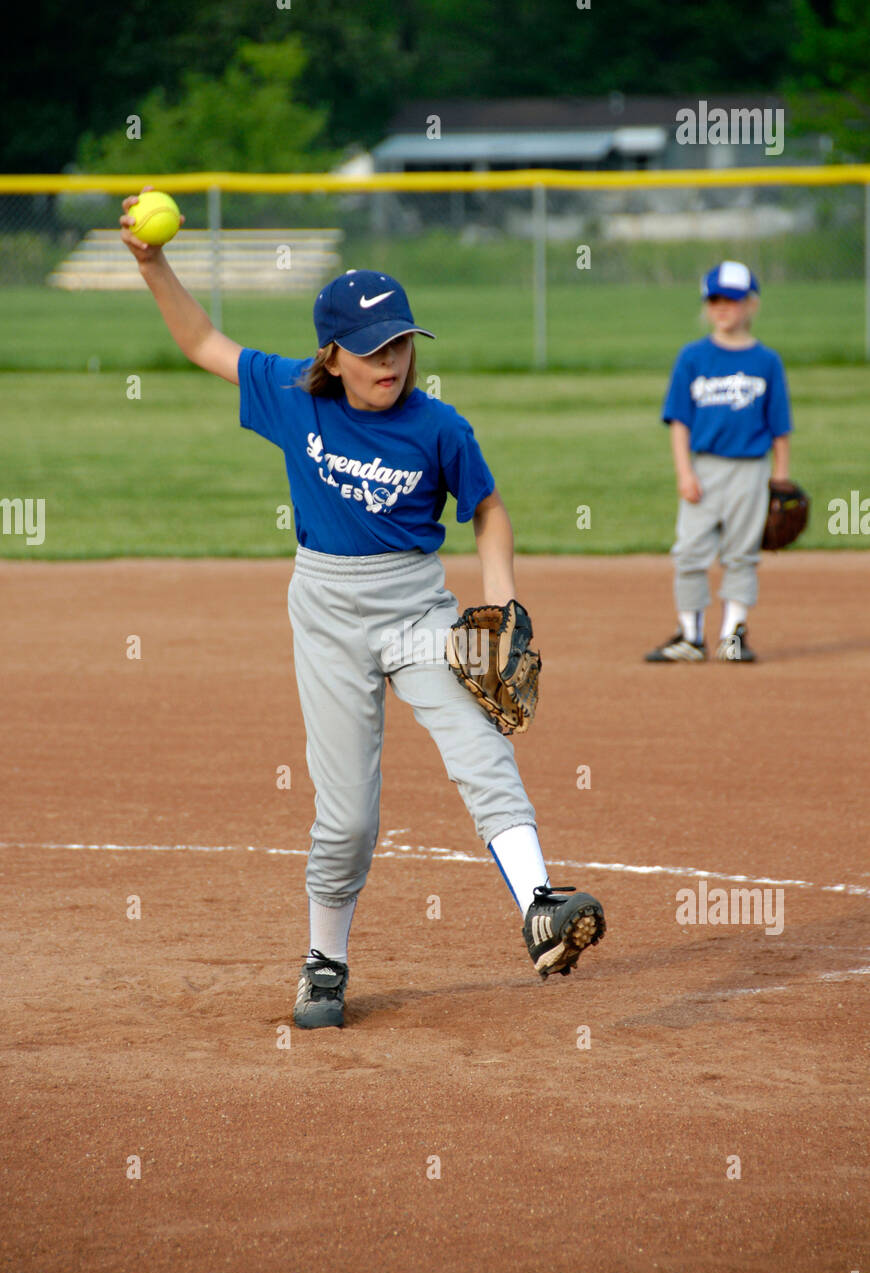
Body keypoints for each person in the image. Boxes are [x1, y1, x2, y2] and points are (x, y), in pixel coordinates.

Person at [120, 189, 605, 1029]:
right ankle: (325, 960)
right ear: (333, 352)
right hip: (328, 614)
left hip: (417, 607)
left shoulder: (438, 426)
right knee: (347, 815)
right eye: (375, 349)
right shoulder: (291, 394)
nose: (393, 363)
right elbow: (201, 341)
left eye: (404, 345)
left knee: (480, 746)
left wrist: (503, 604)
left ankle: (540, 905)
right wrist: (152, 260)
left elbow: (487, 508)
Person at [646, 260, 793, 664]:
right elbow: (679, 422)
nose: (723, 307)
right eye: (715, 299)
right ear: (707, 305)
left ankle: (732, 635)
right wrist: (684, 472)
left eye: (732, 299)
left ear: (752, 304)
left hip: (751, 469)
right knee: (690, 550)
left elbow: (780, 427)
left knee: (742, 553)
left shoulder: (767, 361)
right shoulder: (693, 357)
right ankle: (691, 636)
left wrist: (780, 478)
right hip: (704, 467)